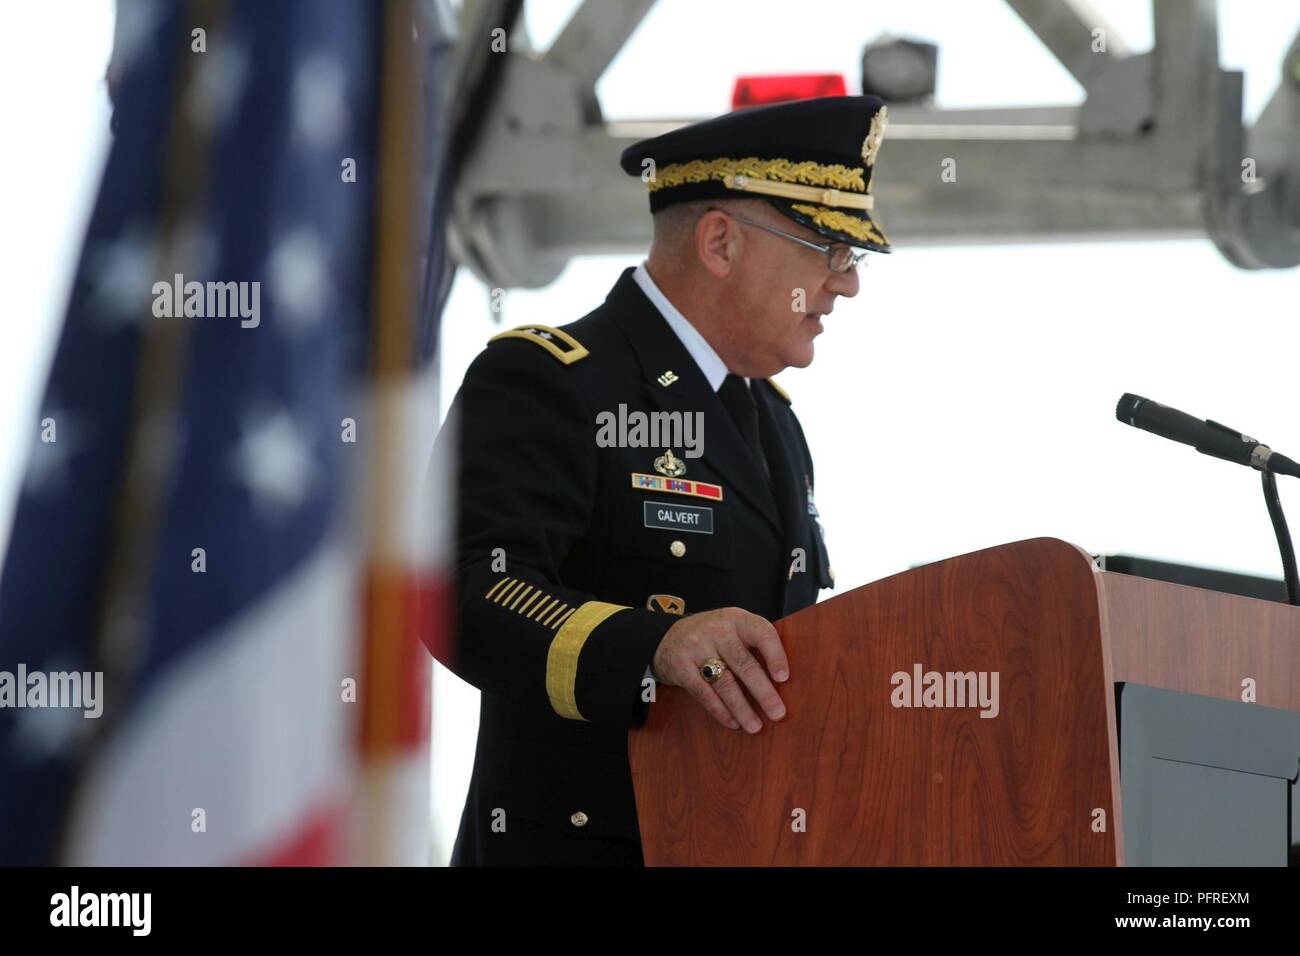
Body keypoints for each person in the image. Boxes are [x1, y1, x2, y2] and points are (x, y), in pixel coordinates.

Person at [435, 94, 892, 865]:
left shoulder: (775, 424)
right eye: (829, 249)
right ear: (720, 242)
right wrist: (652, 647)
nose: (846, 285)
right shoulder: (549, 380)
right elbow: (463, 588)